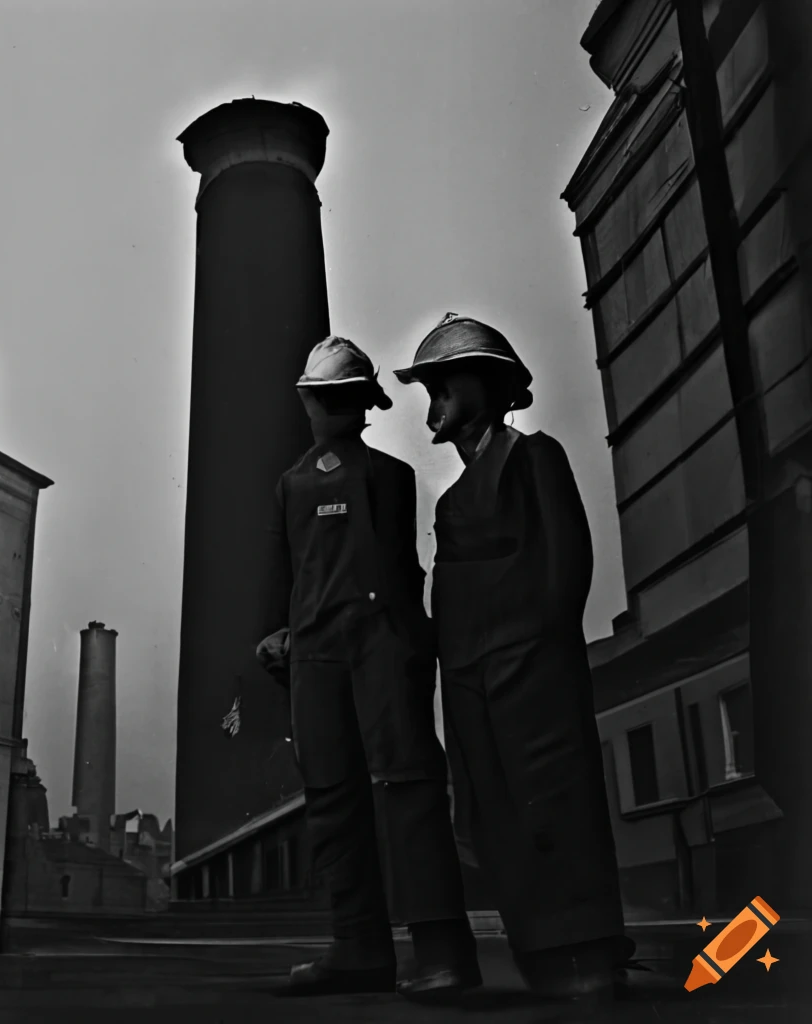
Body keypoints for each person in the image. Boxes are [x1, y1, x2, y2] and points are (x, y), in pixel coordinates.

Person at [393, 312, 635, 1001]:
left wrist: (537, 650)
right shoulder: (451, 499)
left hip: (532, 675)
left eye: (444, 384)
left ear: (490, 386)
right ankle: (543, 955)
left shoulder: (535, 457)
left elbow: (565, 568)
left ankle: (587, 952)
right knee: (493, 812)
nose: (433, 402)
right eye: (427, 389)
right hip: (470, 683)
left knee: (554, 803)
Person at [255, 334, 479, 1002]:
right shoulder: (292, 485)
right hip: (319, 654)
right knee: (331, 799)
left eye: (334, 400)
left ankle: (445, 953)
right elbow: (285, 574)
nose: (327, 411)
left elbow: (394, 574)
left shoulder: (387, 476)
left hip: (379, 644)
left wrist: (404, 648)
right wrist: (277, 634)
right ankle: (359, 950)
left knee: (408, 788)